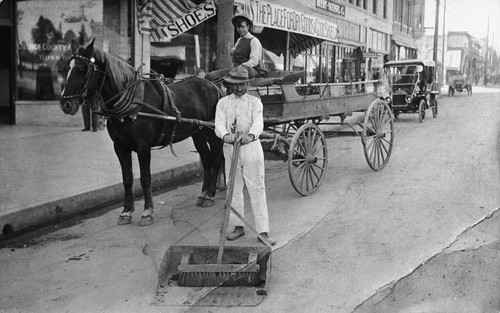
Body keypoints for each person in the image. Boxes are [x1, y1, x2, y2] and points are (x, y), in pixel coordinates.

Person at [214, 65, 276, 245]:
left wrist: (250, 135)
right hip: (231, 149)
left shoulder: (254, 102)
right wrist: (225, 135)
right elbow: (219, 124)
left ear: (248, 84)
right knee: (233, 188)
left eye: (243, 85)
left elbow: (258, 124)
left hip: (251, 150)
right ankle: (238, 226)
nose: (240, 89)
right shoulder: (223, 103)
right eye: (236, 85)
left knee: (256, 188)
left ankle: (263, 231)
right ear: (230, 85)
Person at [230, 12, 264, 78]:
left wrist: (241, 66)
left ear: (248, 26)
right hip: (238, 69)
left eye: (243, 27)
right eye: (238, 27)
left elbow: (254, 61)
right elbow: (234, 50)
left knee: (238, 74)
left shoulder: (254, 40)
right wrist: (233, 51)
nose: (240, 30)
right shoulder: (239, 40)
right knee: (215, 75)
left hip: (252, 70)